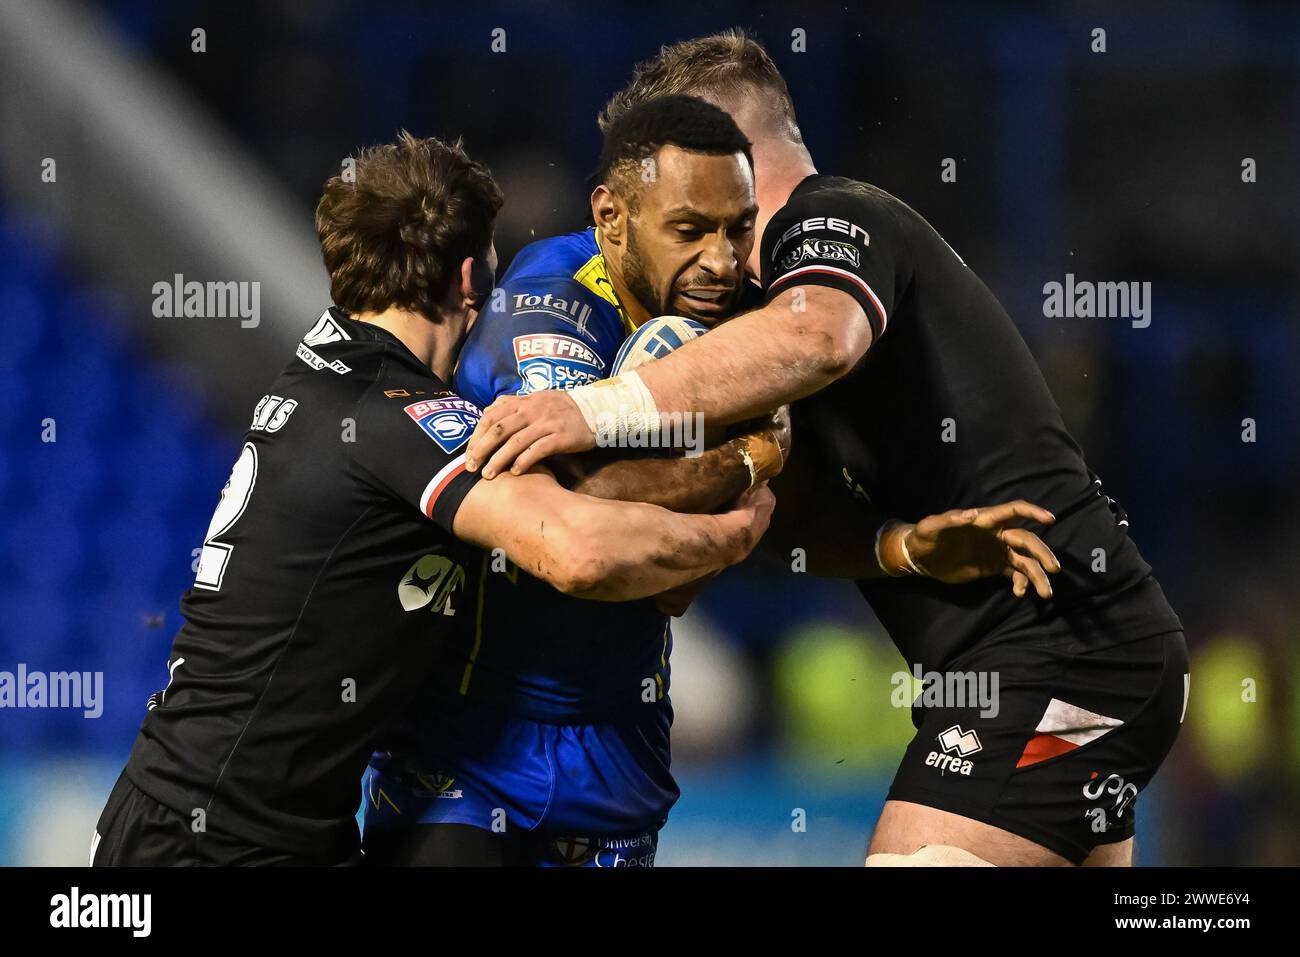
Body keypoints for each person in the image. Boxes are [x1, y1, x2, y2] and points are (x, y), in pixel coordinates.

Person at [464, 34, 1189, 867]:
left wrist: (596, 407)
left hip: (1063, 654)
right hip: (1048, 660)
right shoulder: (750, 316)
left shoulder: (834, 216)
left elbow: (821, 338)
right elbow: (797, 514)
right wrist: (904, 546)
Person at [363, 101, 1063, 867]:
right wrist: (747, 462)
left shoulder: (734, 323)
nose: (724, 261)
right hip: (473, 760)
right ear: (613, 217)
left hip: (619, 767)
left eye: (737, 227)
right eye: (690, 230)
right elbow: (586, 510)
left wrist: (900, 548)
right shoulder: (552, 302)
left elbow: (780, 521)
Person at [90, 132, 772, 867]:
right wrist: (733, 524)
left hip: (216, 817)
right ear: (472, 277)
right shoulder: (400, 417)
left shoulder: (321, 378)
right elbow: (578, 552)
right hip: (216, 840)